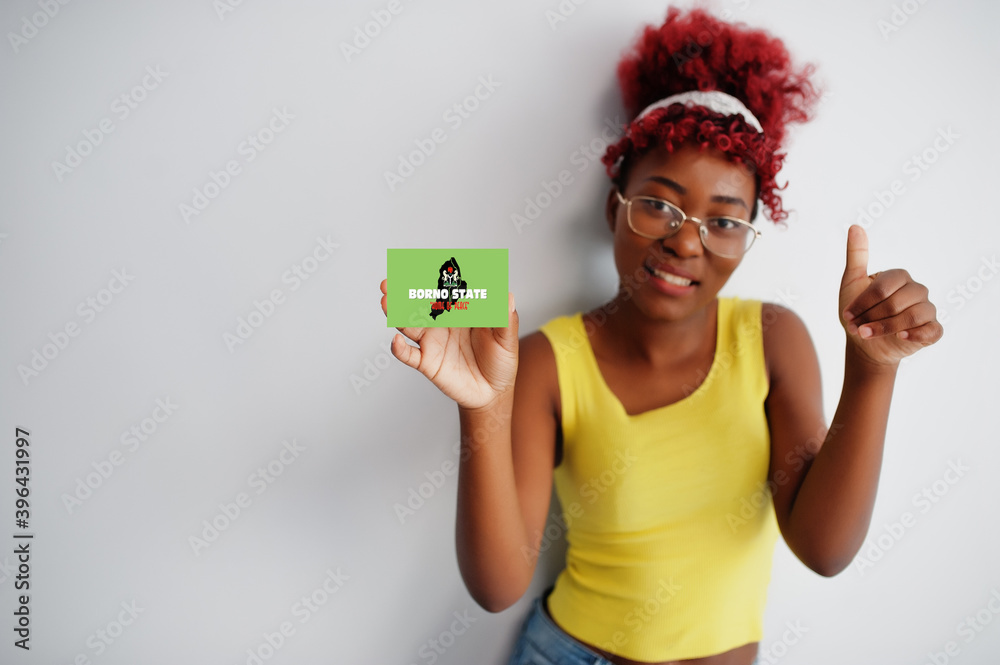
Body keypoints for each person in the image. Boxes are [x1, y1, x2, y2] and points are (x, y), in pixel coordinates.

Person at [378, 7, 943, 665]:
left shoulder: (773, 340)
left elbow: (824, 547)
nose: (684, 240)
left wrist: (873, 370)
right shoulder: (543, 360)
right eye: (659, 204)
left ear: (748, 237)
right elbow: (498, 584)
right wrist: (479, 405)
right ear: (612, 205)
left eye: (724, 221)